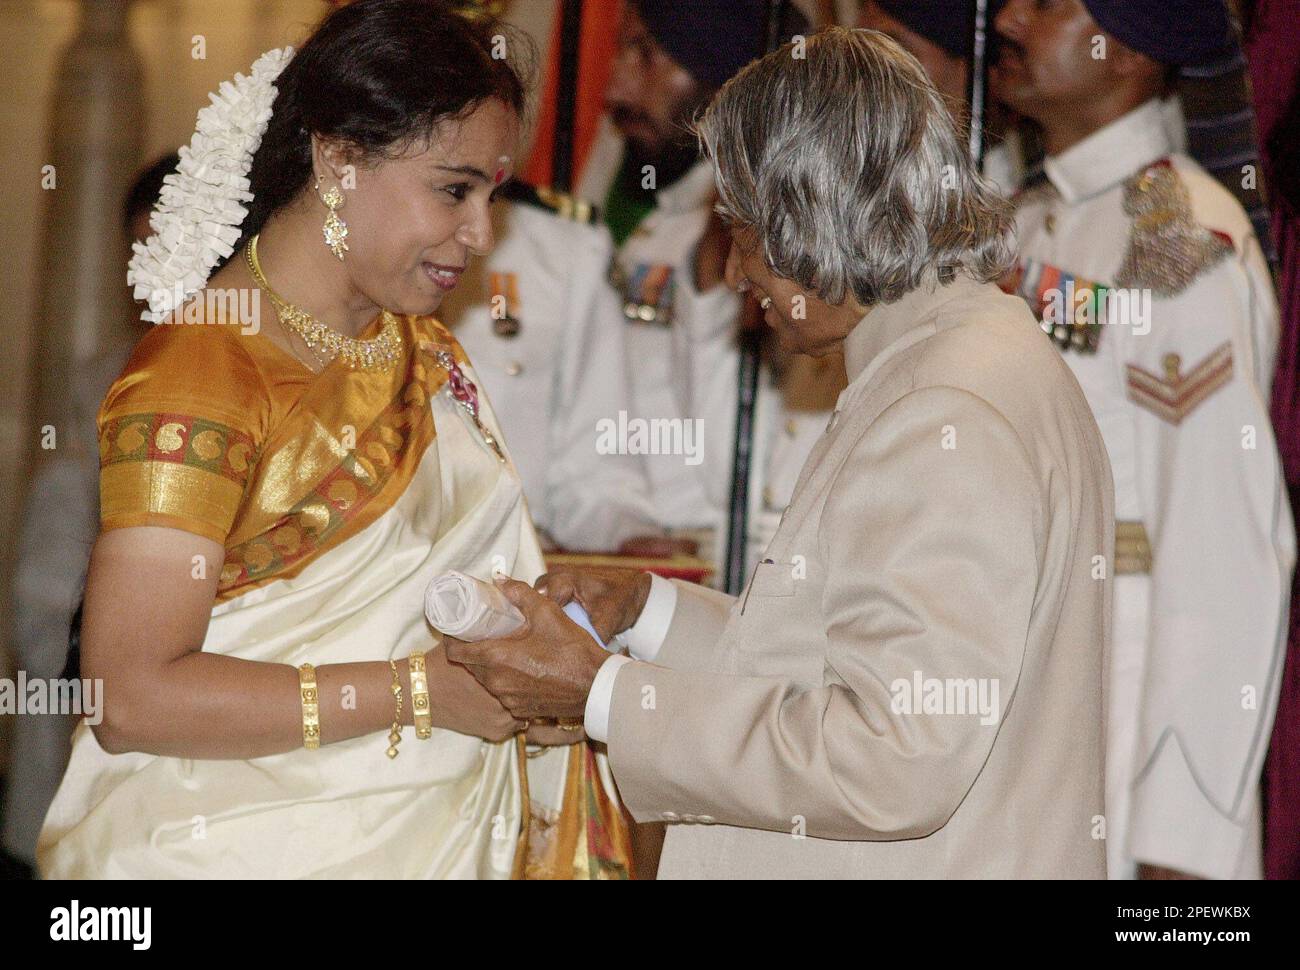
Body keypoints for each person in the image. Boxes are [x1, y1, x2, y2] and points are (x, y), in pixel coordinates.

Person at [447, 27, 1114, 880]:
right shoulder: (959, 356)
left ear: (816, 214)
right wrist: (646, 613)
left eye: (744, 229)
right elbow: (833, 653)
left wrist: (603, 696)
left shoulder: (944, 408)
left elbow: (892, 759)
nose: (734, 275)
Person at [36, 0, 627, 880]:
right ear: (339, 155)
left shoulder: (421, 352)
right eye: (454, 189)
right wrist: (421, 694)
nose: (481, 235)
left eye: (490, 196)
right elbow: (130, 696)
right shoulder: (204, 375)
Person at [994, 0, 1295, 879]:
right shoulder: (1029, 223)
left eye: (1047, 3)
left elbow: (1224, 551)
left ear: (1128, 47)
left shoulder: (1175, 242)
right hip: (1025, 723)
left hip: (1119, 753)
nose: (1008, 16)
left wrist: (1183, 841)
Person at [580, 0, 836, 579]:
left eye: (646, 52)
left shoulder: (782, 249)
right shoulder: (648, 229)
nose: (614, 85)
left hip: (725, 573)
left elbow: (737, 473)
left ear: (723, 78)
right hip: (630, 552)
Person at [0, 154, 176, 873]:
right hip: (102, 680)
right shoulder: (108, 379)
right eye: (145, 258)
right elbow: (48, 580)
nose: (161, 284)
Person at [436, 179, 658, 552]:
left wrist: (627, 537)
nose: (480, 236)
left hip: (511, 570)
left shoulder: (567, 244)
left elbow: (597, 472)